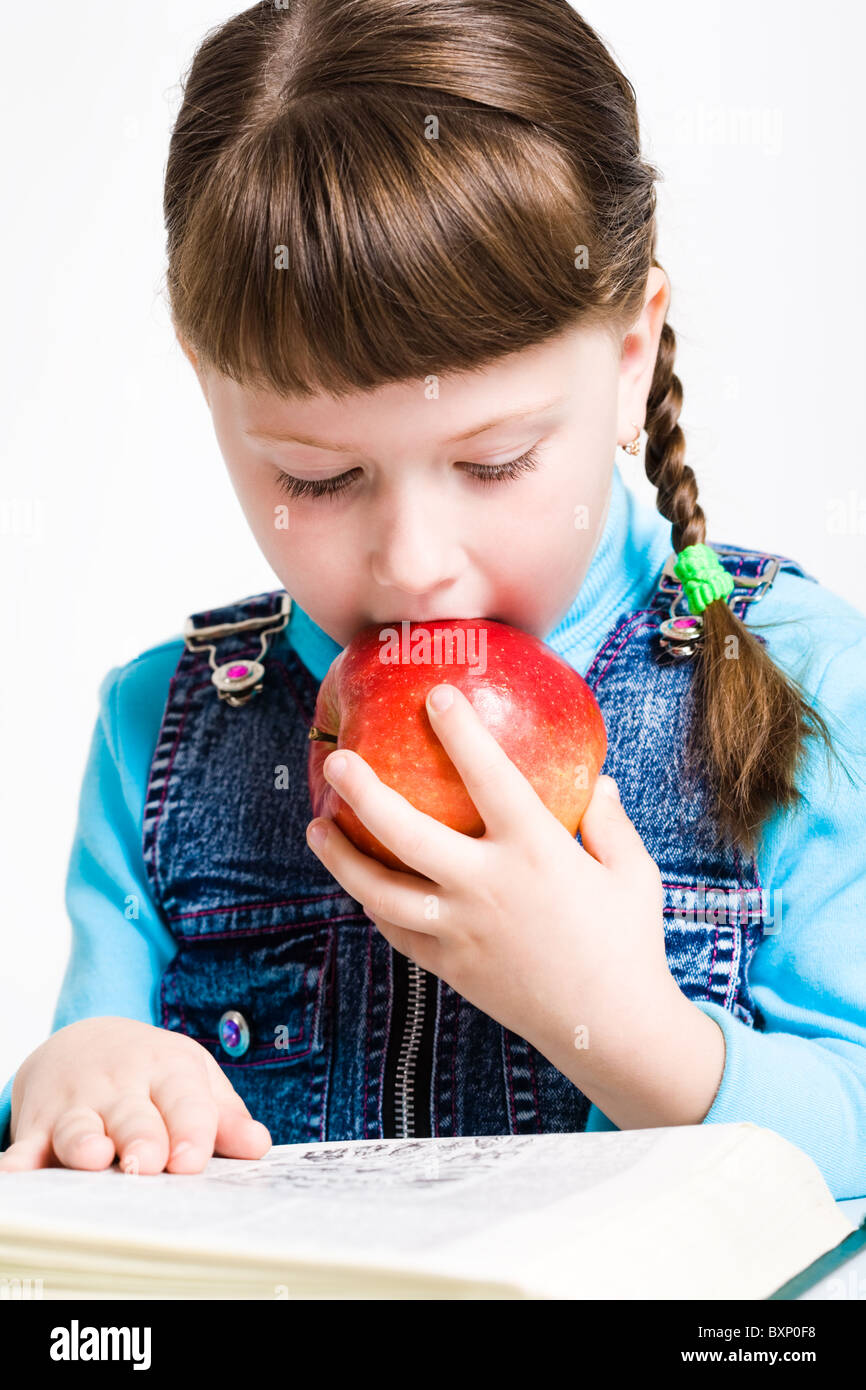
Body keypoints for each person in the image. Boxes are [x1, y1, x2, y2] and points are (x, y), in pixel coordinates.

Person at [2, 0, 865, 1199]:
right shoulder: (163, 727)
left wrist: (621, 1029)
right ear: (211, 394)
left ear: (628, 362)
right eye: (317, 473)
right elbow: (80, 1099)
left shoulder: (797, 681)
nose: (411, 561)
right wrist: (82, 1074)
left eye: (494, 461)